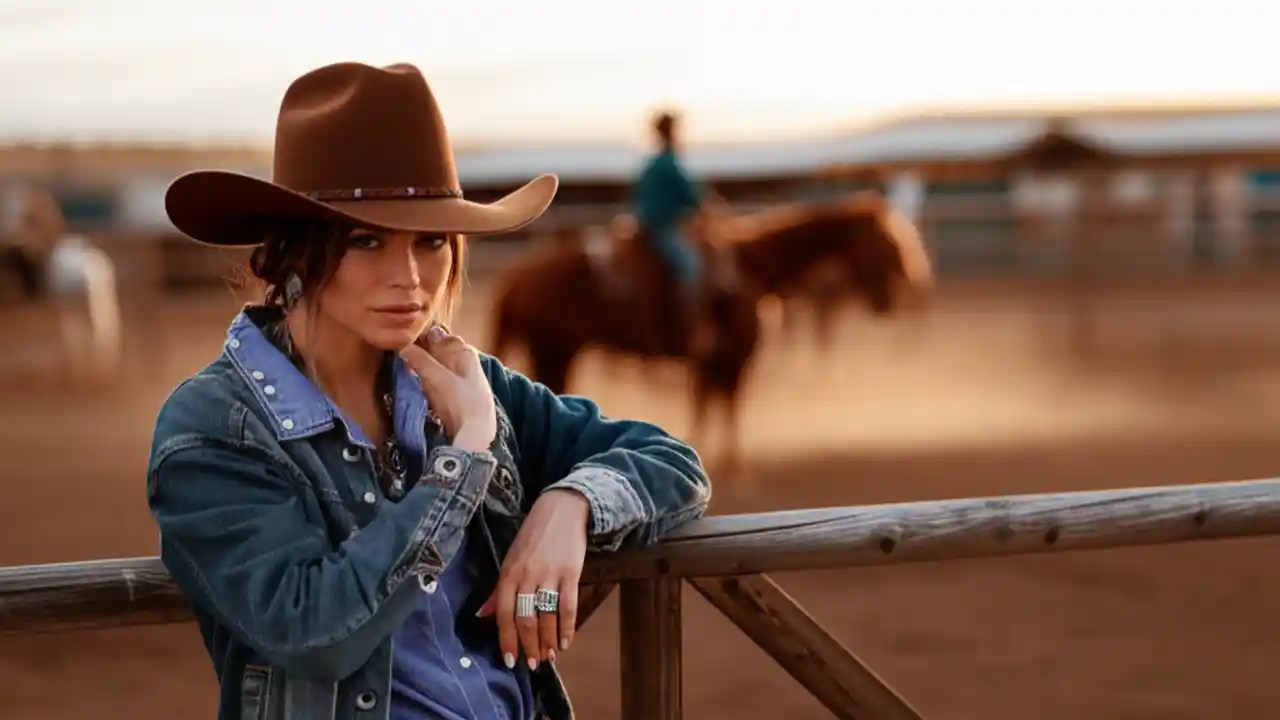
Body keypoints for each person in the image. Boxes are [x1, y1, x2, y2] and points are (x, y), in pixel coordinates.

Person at [146, 61, 710, 720]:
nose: (410, 277)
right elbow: (314, 631)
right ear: (296, 248)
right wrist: (468, 455)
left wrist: (568, 506)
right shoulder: (213, 427)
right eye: (367, 240)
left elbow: (674, 463)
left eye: (433, 240)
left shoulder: (470, 383)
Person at [631, 111, 718, 354]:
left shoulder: (654, 162)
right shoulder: (667, 163)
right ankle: (690, 326)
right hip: (662, 228)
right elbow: (691, 195)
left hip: (654, 225)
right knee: (691, 265)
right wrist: (706, 209)